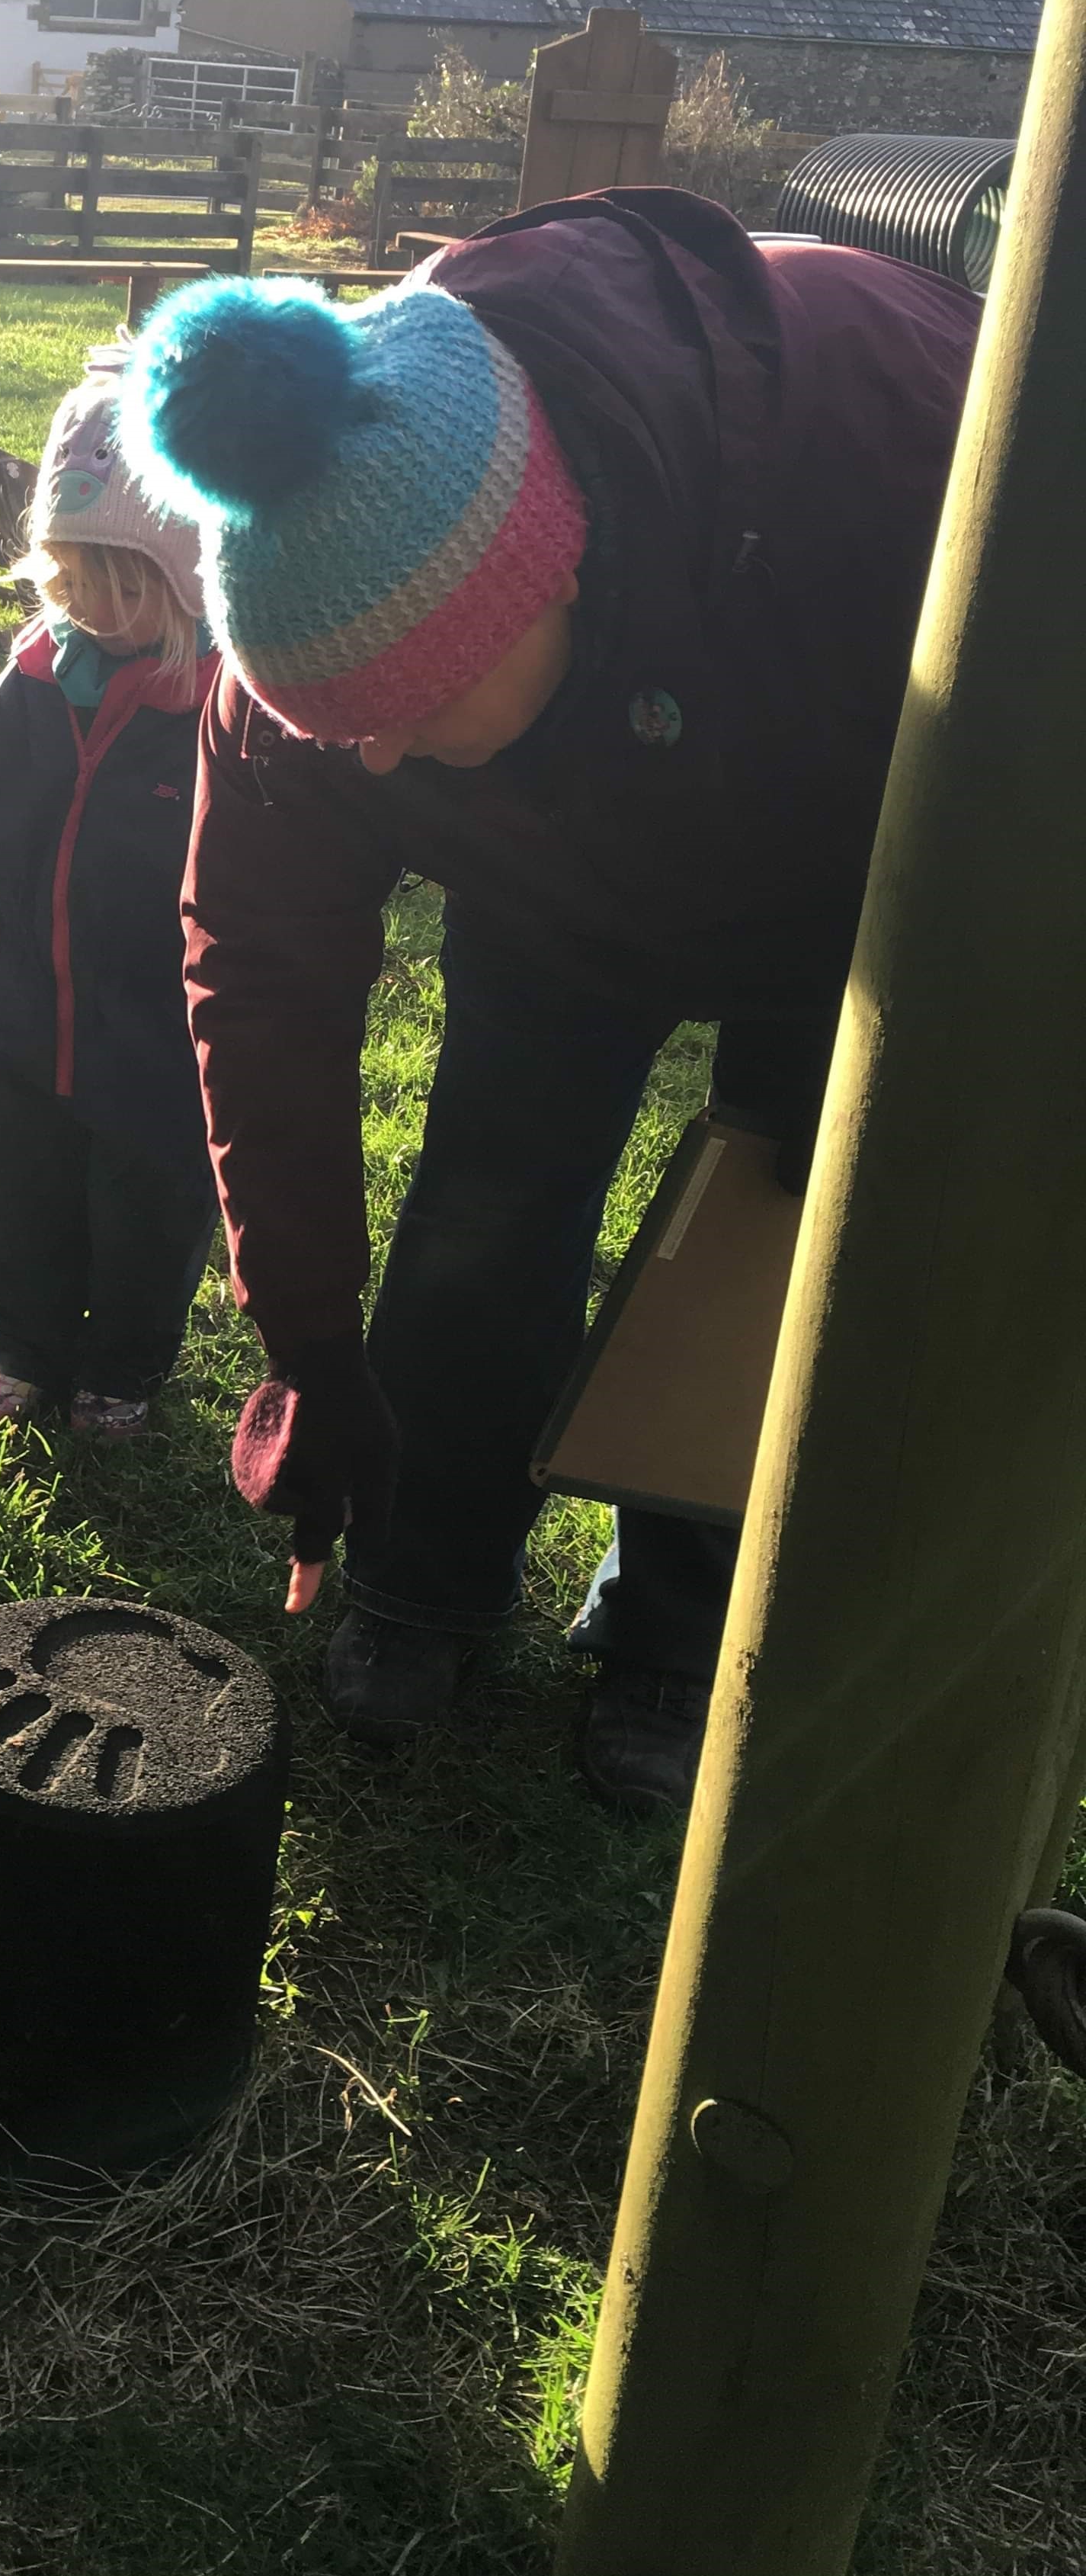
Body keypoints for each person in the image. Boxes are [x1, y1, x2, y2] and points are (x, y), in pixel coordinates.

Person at [119, 191, 980, 1811]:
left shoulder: (888, 437)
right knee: (493, 1197)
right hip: (559, 873)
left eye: (409, 706)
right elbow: (263, 974)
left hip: (860, 839)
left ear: (546, 576)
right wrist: (310, 1346)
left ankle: (675, 1614)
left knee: (770, 1226)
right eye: (330, 728)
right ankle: (425, 1567)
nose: (365, 753)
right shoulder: (316, 627)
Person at [0, 347, 219, 1436]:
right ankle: (27, 1349)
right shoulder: (26, 690)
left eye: (125, 583)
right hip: (23, 1009)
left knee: (147, 1199)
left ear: (190, 570)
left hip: (158, 1023)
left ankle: (124, 1368)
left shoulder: (218, 709)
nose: (94, 608)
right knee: (16, 1190)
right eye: (72, 579)